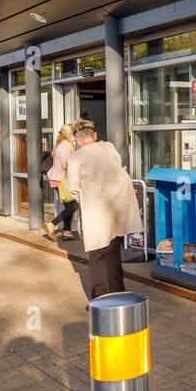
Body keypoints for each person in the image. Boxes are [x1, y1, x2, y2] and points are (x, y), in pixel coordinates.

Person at [64, 120, 141, 300]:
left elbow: (74, 189)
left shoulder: (76, 157)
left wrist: (86, 200)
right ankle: (119, 293)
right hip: (119, 209)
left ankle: (100, 299)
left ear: (77, 139)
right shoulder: (108, 147)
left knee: (97, 256)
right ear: (95, 135)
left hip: (97, 213)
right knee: (113, 253)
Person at [43, 124, 78, 239]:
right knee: (75, 204)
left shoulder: (63, 144)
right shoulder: (65, 145)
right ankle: (52, 224)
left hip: (59, 179)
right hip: (61, 179)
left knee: (69, 205)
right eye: (75, 134)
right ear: (70, 135)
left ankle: (67, 232)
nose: (77, 136)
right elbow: (65, 164)